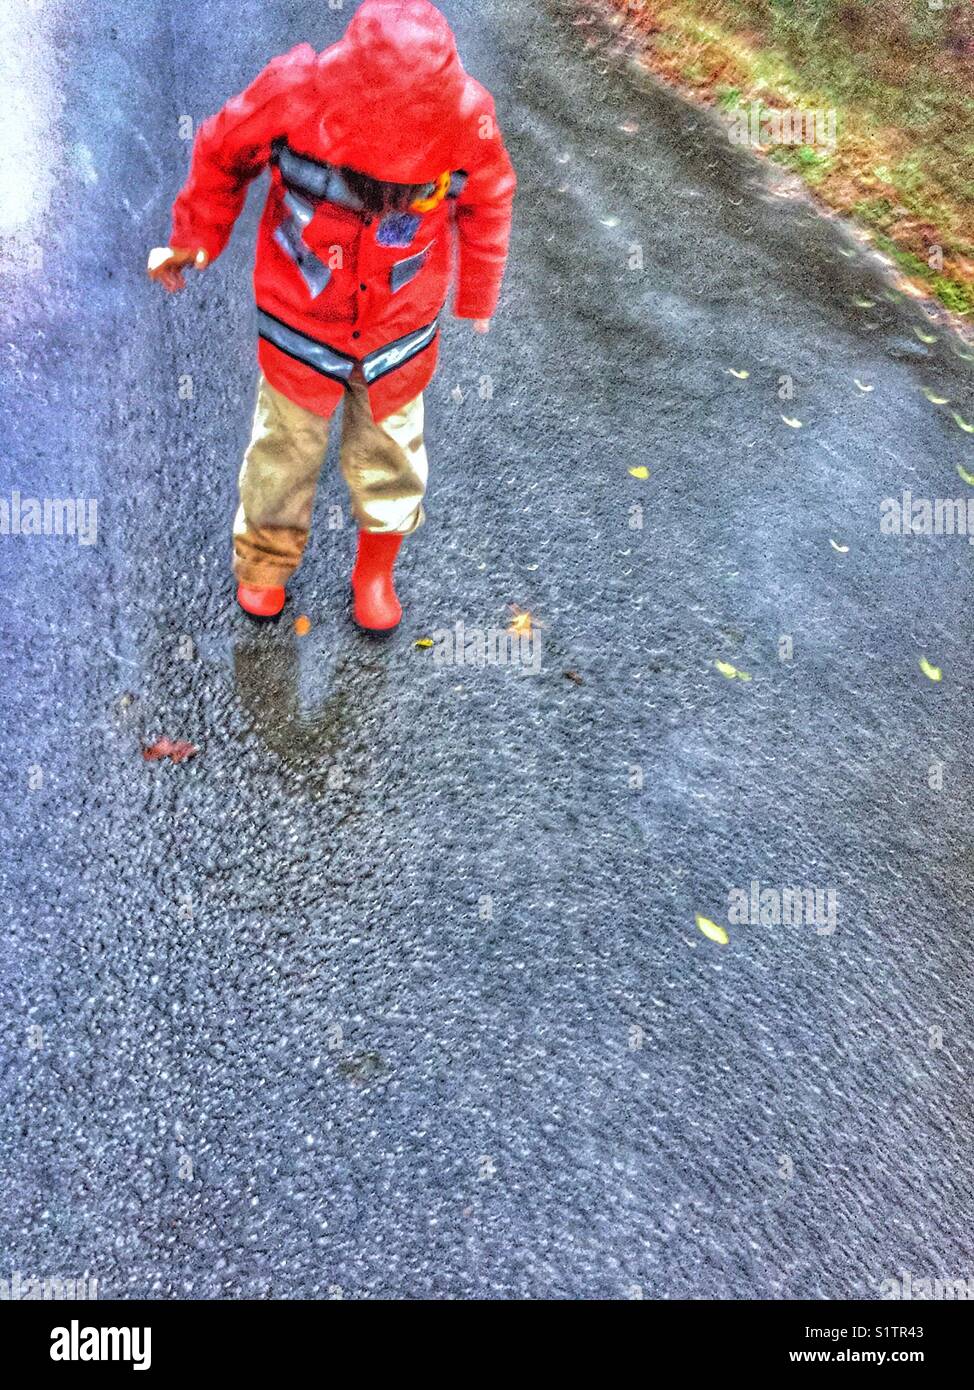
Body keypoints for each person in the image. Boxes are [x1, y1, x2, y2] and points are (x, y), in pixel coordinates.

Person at [148, 0, 516, 631]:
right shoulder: (292, 92)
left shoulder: (468, 117)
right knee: (282, 454)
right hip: (300, 322)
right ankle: (264, 564)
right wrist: (196, 234)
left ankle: (374, 573)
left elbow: (489, 197)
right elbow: (220, 150)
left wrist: (478, 291)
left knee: (393, 458)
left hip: (398, 329)